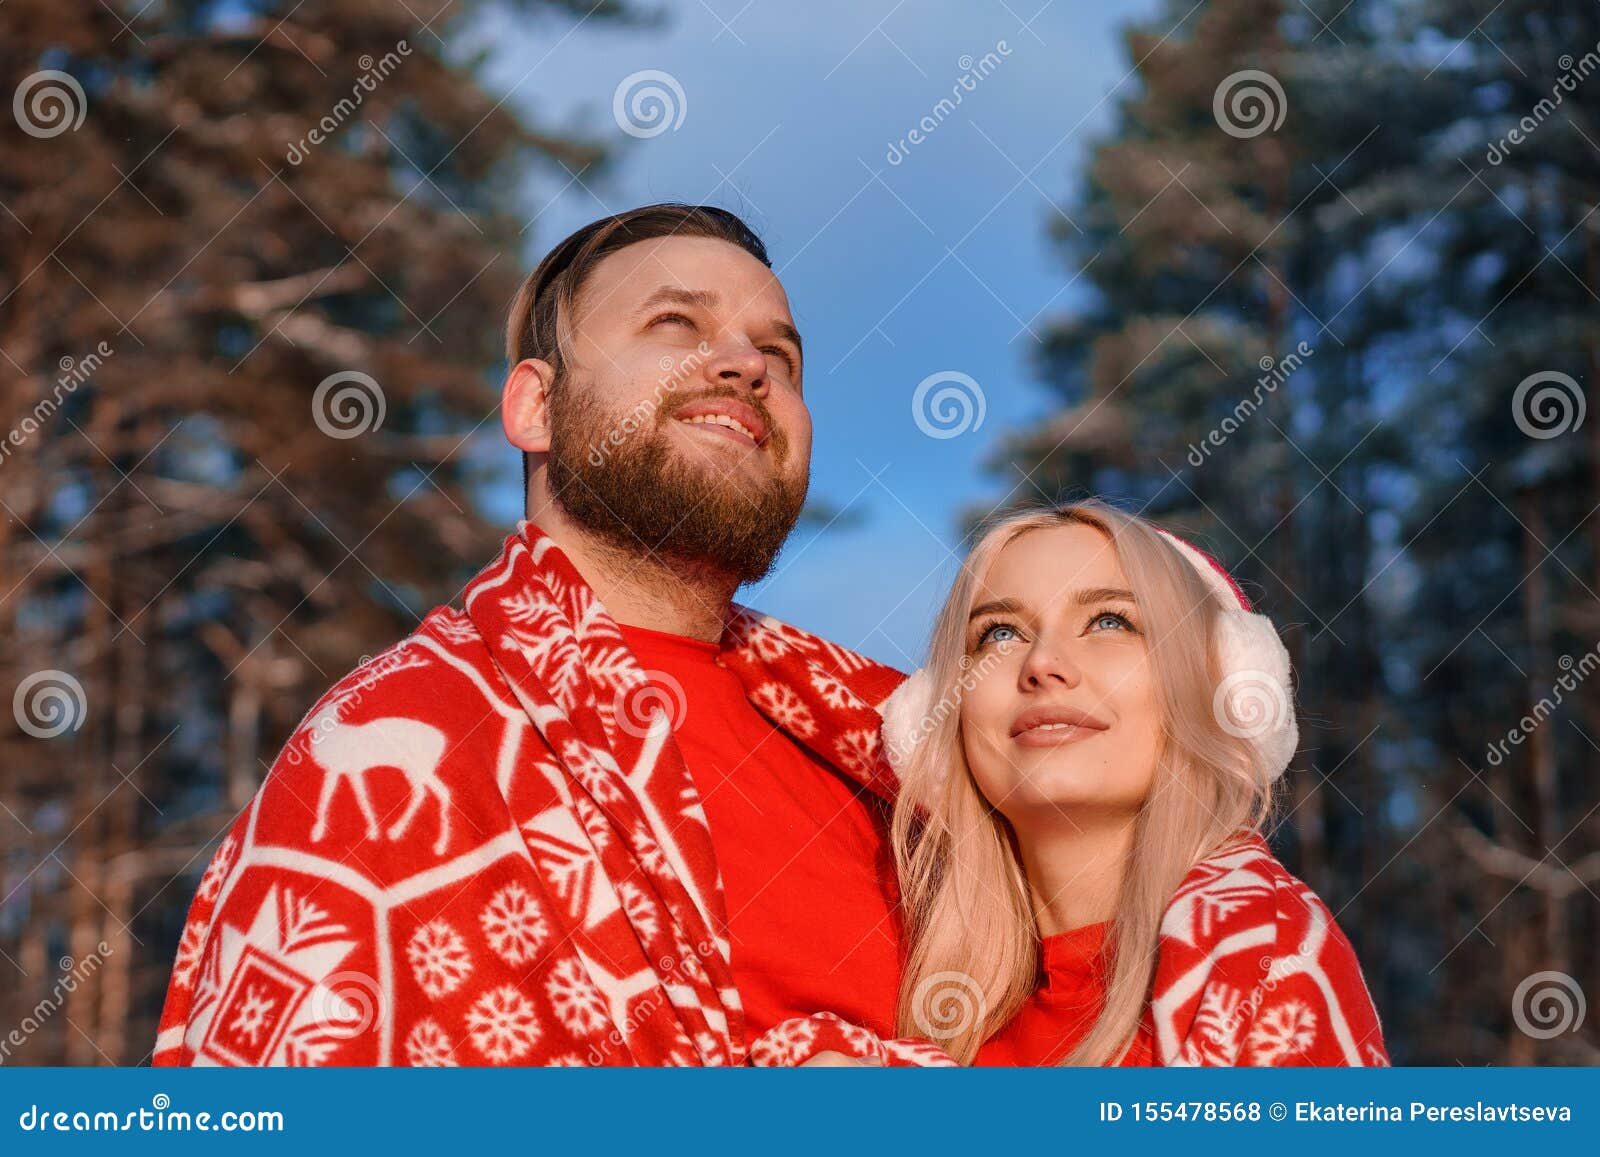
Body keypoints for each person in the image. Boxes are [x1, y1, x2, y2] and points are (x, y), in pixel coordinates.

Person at [153, 204, 914, 1066]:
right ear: (535, 407)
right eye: (677, 322)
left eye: (779, 355)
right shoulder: (401, 742)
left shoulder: (900, 757)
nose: (746, 366)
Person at [735, 500, 1390, 1066]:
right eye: (999, 633)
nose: (1043, 663)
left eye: (1110, 620)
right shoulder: (919, 1032)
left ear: (1211, 686)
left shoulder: (1271, 961)